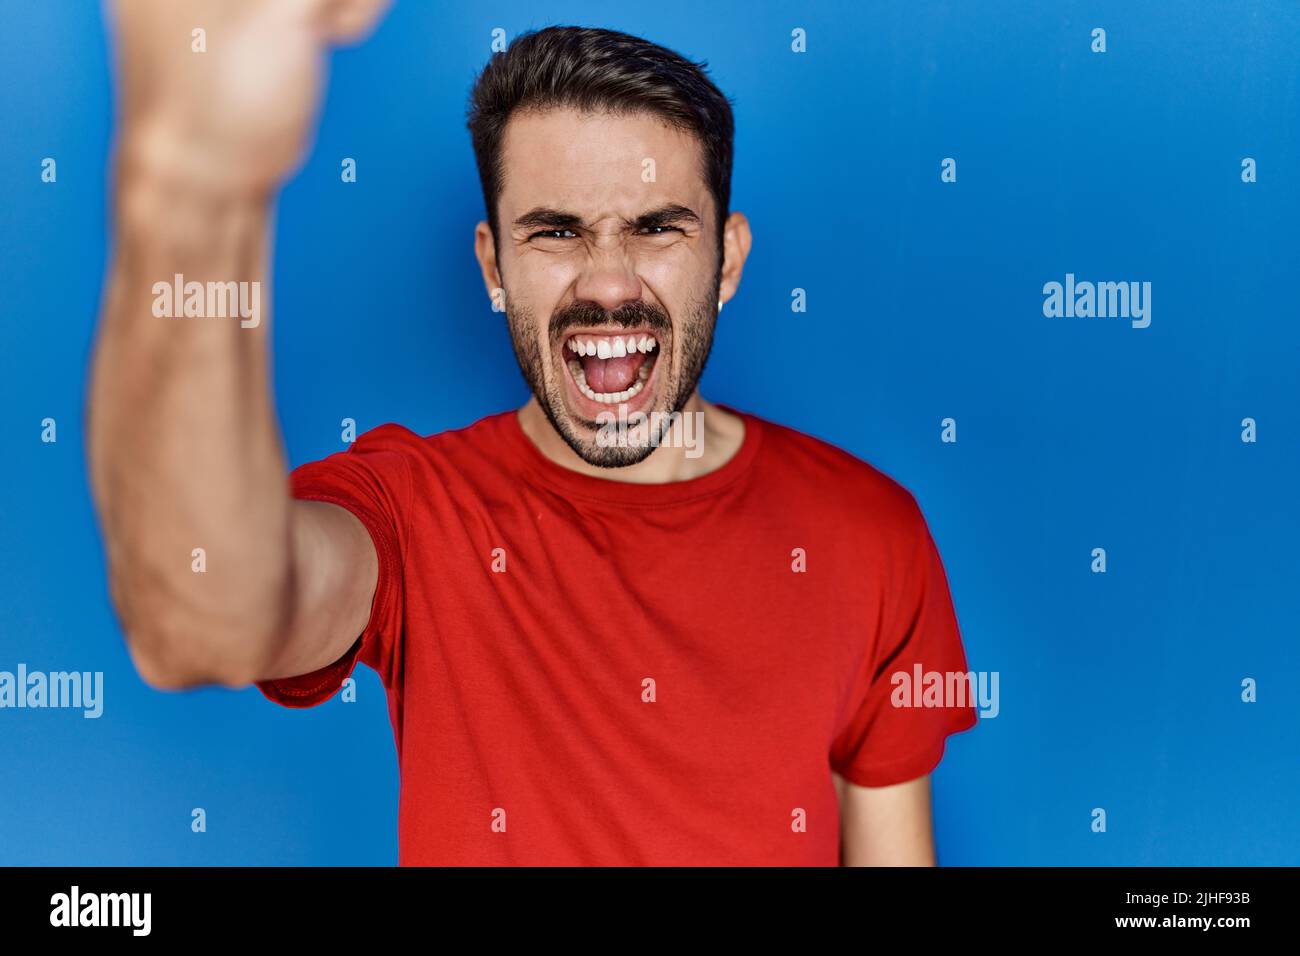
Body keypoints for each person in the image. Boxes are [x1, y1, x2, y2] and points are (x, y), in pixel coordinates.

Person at [89, 0, 976, 866]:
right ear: (493, 266)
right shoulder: (412, 513)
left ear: (729, 261)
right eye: (556, 232)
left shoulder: (870, 532)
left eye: (657, 228)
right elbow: (199, 626)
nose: (608, 283)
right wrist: (192, 184)